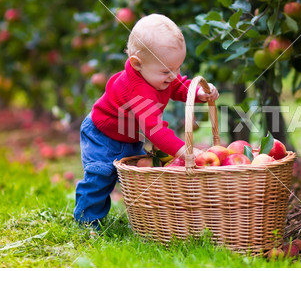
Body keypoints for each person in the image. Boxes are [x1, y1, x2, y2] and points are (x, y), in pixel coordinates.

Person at [74, 14, 219, 227]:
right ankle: (86, 222)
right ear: (137, 64)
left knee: (137, 175)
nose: (174, 75)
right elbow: (156, 131)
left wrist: (197, 93)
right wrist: (186, 151)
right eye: (167, 71)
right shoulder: (136, 90)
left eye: (178, 68)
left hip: (128, 134)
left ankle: (146, 219)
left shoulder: (159, 73)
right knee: (101, 176)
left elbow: (177, 86)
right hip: (102, 135)